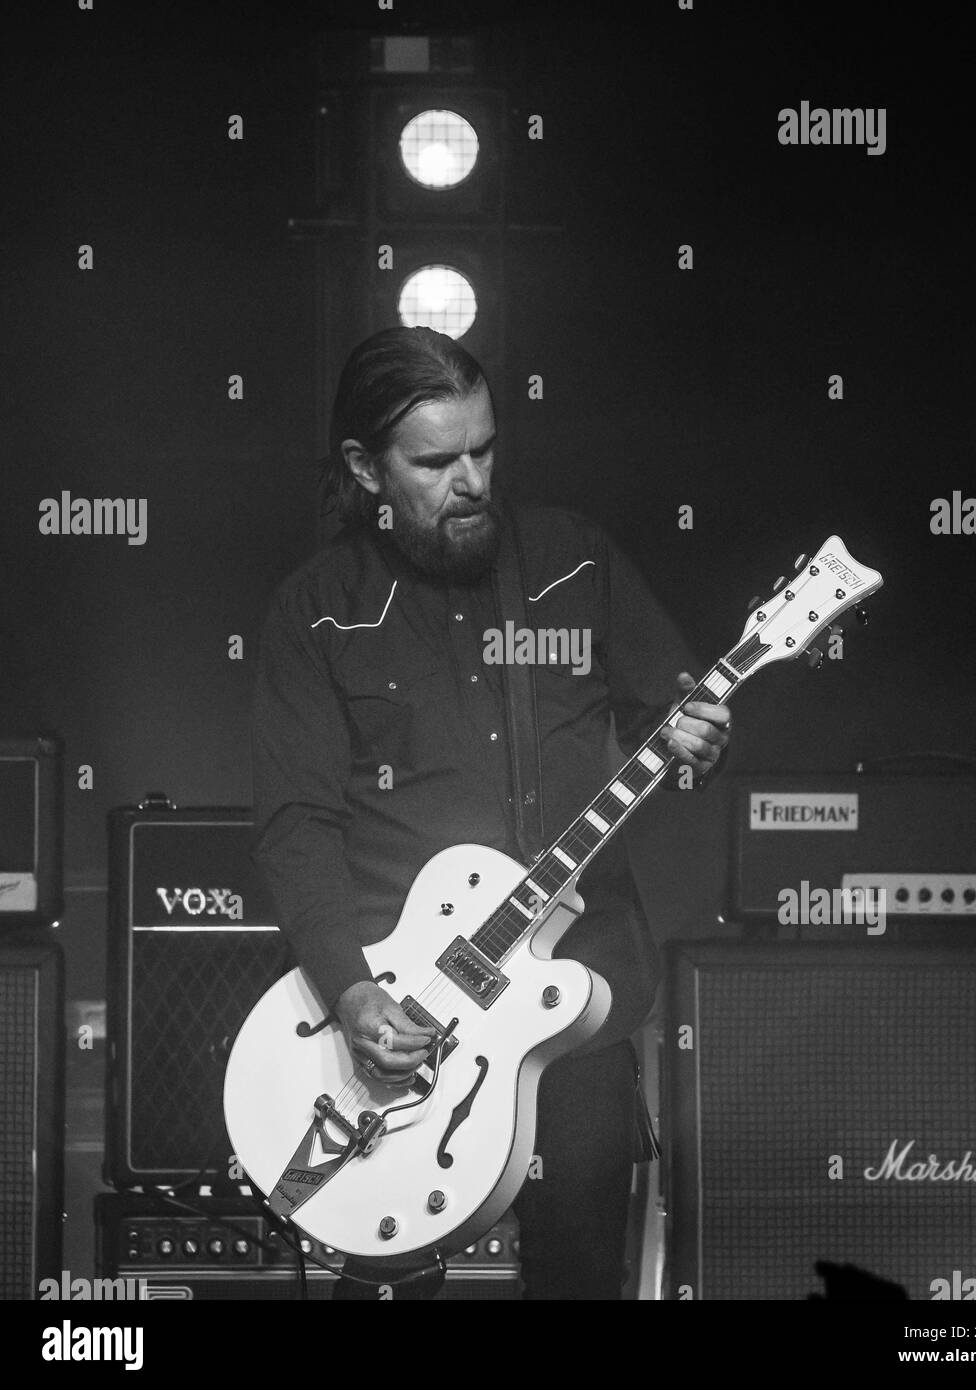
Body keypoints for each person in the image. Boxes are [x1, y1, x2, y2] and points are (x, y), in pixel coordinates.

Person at [251, 326, 730, 1299]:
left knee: (579, 1279)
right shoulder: (315, 613)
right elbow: (296, 823)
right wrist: (349, 994)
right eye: (434, 461)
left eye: (483, 448)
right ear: (365, 469)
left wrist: (695, 742)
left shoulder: (570, 559)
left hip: (572, 1000)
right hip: (407, 1013)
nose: (469, 479)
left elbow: (670, 723)